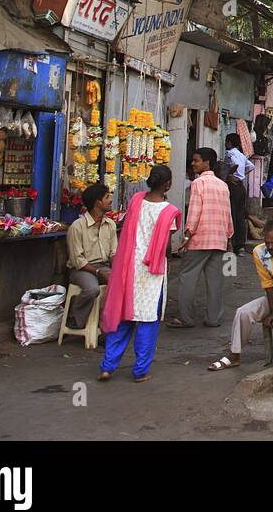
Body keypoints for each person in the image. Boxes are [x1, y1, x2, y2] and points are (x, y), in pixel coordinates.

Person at [98, 165, 181, 383]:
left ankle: (107, 367)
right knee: (148, 319)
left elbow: (127, 228)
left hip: (128, 266)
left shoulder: (136, 201)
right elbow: (166, 245)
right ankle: (140, 371)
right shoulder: (168, 211)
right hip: (152, 271)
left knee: (124, 317)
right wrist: (169, 259)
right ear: (168, 185)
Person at [207, 220, 273, 369]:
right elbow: (268, 285)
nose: (270, 247)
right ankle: (234, 355)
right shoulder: (259, 252)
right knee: (242, 312)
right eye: (267, 242)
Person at [168, 147, 233, 329]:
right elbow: (228, 213)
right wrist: (228, 237)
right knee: (215, 281)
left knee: (187, 277)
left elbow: (195, 211)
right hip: (219, 239)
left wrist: (187, 234)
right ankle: (213, 318)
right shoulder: (223, 185)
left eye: (196, 160)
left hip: (200, 239)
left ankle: (186, 318)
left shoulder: (199, 183)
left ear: (206, 163)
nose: (193, 163)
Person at [65, 183, 117, 329]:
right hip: (82, 270)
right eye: (107, 197)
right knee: (92, 289)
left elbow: (114, 253)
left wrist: (117, 269)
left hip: (103, 266)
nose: (110, 200)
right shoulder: (77, 226)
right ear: (98, 202)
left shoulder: (111, 225)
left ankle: (105, 326)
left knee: (119, 285)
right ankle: (75, 319)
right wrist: (99, 272)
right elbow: (78, 260)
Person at [224, 132, 253, 255]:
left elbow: (233, 165)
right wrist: (241, 176)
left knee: (232, 214)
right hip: (241, 186)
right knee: (240, 215)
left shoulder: (229, 154)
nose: (225, 144)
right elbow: (251, 166)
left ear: (229, 142)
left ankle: (231, 243)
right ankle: (240, 245)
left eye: (226, 142)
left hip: (233, 186)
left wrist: (230, 175)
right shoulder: (241, 155)